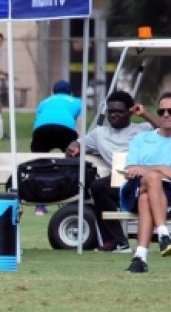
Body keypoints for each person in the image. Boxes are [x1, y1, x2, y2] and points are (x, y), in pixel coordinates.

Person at [65, 91, 157, 252]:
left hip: (142, 181)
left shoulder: (143, 129)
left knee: (101, 186)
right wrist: (73, 147)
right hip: (118, 182)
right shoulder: (99, 133)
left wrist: (145, 115)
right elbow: (77, 143)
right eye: (111, 111)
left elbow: (170, 132)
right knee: (98, 186)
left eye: (119, 112)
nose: (114, 115)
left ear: (130, 111)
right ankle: (117, 241)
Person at [121, 92, 171, 274]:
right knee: (152, 179)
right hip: (134, 188)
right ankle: (163, 233)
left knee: (146, 198)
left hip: (169, 196)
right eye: (162, 111)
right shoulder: (141, 139)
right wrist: (162, 168)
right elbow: (131, 170)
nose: (166, 115)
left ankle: (140, 257)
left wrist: (146, 169)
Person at [30, 80, 82, 215]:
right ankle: (70, 200)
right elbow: (81, 126)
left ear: (52, 92)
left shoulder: (44, 102)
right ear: (71, 93)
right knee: (72, 162)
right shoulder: (77, 101)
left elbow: (37, 122)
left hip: (42, 130)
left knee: (39, 164)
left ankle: (39, 206)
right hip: (66, 129)